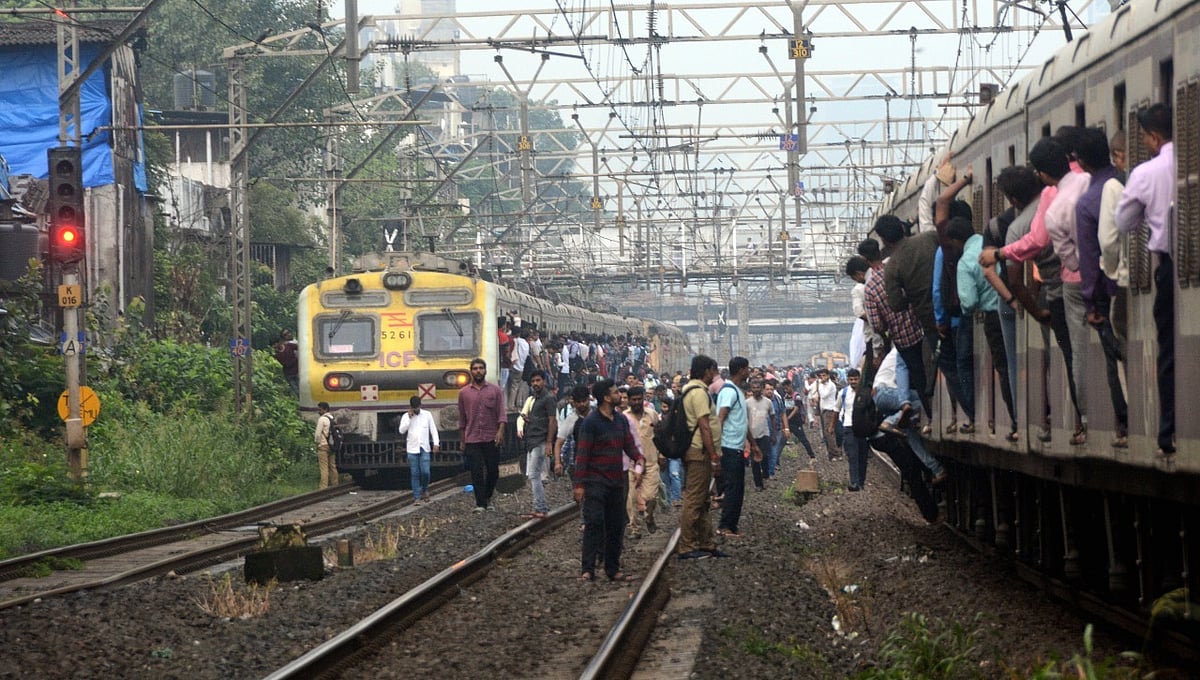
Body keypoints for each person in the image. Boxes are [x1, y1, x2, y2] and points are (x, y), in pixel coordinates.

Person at [1116, 103, 1175, 455]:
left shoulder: (1146, 173)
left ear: (1154, 137)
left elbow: (1124, 223)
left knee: (1168, 352)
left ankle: (1168, 433)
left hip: (1168, 266)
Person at [1075, 127, 1130, 448]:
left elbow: (1093, 256)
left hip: (1109, 290)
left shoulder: (1087, 203)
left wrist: (1091, 306)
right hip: (1132, 281)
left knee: (1115, 359)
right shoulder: (1125, 181)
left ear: (1081, 162)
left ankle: (1124, 423)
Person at [573, 379, 645, 582]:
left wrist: (638, 458)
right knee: (594, 522)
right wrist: (579, 485)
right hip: (595, 481)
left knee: (616, 525)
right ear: (606, 397)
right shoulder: (591, 422)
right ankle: (587, 568)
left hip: (616, 481)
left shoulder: (620, 420)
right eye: (615, 393)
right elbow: (582, 455)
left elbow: (629, 445)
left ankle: (612, 568)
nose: (619, 396)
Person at [677, 354, 726, 560]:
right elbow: (704, 425)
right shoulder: (697, 393)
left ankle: (705, 542)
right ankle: (687, 545)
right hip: (699, 451)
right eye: (712, 370)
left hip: (700, 451)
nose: (714, 375)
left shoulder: (696, 391)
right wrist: (714, 455)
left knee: (704, 499)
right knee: (695, 500)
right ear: (705, 371)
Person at [457, 358, 507, 512]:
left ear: (485, 370)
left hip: (491, 437)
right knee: (476, 472)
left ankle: (488, 496)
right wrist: (462, 440)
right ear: (471, 371)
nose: (478, 371)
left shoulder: (495, 390)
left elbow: (501, 414)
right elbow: (462, 418)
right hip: (472, 438)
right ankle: (480, 503)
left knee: (493, 471)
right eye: (475, 368)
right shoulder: (464, 393)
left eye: (481, 368)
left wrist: (500, 431)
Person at [716, 356, 756, 538]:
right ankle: (725, 526)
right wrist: (716, 448)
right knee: (733, 488)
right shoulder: (729, 392)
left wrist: (753, 444)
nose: (749, 372)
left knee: (738, 488)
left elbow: (742, 422)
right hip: (729, 447)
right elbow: (721, 418)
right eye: (747, 369)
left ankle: (732, 525)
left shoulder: (736, 391)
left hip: (736, 446)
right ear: (740, 370)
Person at [518, 371, 557, 518]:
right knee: (533, 474)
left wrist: (549, 442)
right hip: (533, 440)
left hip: (540, 441)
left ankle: (540, 507)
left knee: (534, 475)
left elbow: (552, 421)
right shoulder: (535, 399)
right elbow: (542, 419)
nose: (535, 383)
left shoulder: (548, 399)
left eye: (538, 380)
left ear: (544, 382)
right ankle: (539, 507)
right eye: (533, 381)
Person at [625, 385, 661, 537]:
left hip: (651, 462)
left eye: (640, 399)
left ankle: (649, 516)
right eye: (634, 400)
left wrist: (662, 455)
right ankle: (635, 529)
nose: (637, 402)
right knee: (631, 499)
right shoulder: (624, 418)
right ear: (628, 401)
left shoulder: (652, 415)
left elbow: (659, 436)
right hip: (631, 465)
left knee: (651, 496)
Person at [398, 396, 439, 503]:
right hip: (412, 448)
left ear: (420, 405)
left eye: (417, 407)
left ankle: (424, 489)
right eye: (413, 408)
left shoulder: (427, 415)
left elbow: (433, 430)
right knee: (415, 473)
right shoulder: (405, 416)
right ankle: (416, 497)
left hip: (424, 447)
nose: (415, 409)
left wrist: (436, 443)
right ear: (410, 407)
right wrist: (409, 419)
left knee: (426, 472)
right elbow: (401, 430)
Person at [838, 369, 867, 491]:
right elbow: (836, 409)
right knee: (852, 456)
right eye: (851, 379)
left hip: (863, 429)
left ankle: (861, 482)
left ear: (860, 379)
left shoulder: (865, 393)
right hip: (849, 427)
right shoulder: (843, 393)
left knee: (862, 456)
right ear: (847, 379)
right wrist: (831, 426)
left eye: (855, 379)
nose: (853, 381)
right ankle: (854, 482)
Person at [745, 378, 772, 492]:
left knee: (764, 456)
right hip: (752, 435)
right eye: (753, 388)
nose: (755, 390)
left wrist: (774, 433)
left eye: (758, 388)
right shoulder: (747, 403)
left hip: (764, 433)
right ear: (751, 389)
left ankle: (765, 475)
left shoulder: (767, 402)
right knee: (755, 460)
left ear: (761, 389)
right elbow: (744, 420)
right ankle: (758, 484)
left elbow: (773, 417)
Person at [314, 402, 339, 488]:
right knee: (332, 466)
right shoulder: (332, 418)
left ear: (325, 409)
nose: (319, 411)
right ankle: (335, 484)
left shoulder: (322, 419)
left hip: (323, 446)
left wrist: (317, 443)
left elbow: (317, 434)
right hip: (332, 445)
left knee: (324, 468)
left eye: (320, 409)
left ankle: (323, 487)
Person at [274, 329, 299, 395]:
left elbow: (302, 348)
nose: (275, 345)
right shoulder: (277, 355)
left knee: (303, 389)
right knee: (297, 392)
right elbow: (286, 364)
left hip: (298, 371)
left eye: (276, 343)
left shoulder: (289, 346)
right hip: (289, 374)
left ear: (279, 342)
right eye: (273, 344)